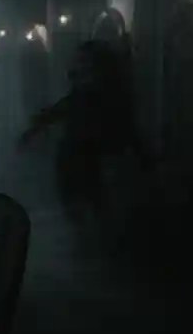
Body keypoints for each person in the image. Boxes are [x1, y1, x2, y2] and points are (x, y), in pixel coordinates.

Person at [18, 37, 150, 235]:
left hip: (89, 158)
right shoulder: (87, 94)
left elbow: (127, 128)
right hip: (78, 158)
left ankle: (96, 239)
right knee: (82, 205)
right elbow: (60, 110)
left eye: (85, 63)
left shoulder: (106, 97)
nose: (80, 69)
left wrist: (142, 157)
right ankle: (89, 237)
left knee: (94, 204)